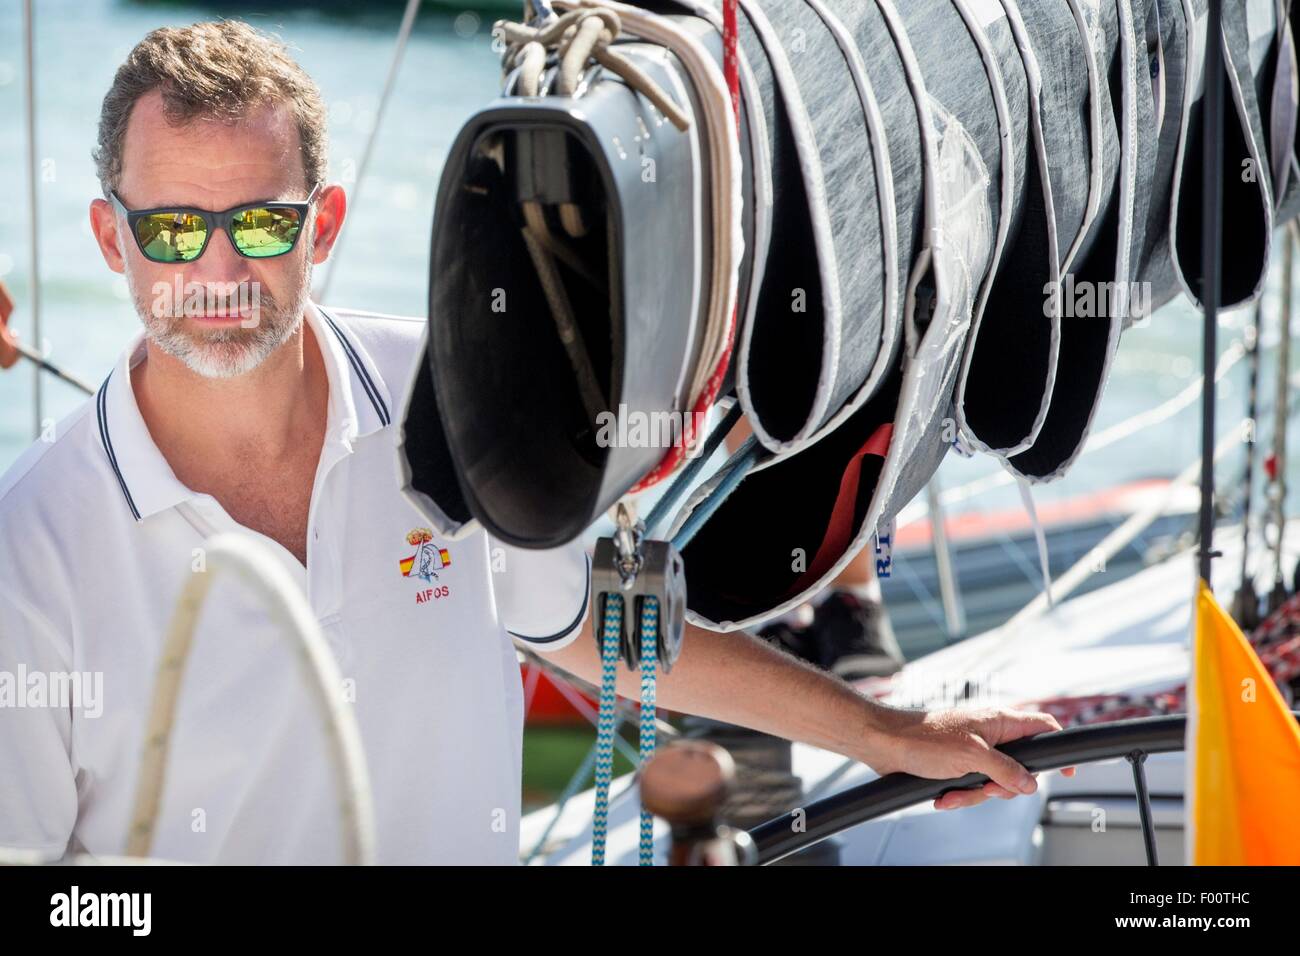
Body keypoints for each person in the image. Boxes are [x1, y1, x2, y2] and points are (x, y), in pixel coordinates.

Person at [0, 20, 1070, 865]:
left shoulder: (450, 394)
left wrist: (885, 731)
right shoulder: (31, 547)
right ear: (113, 239)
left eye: (263, 223)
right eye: (175, 229)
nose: (222, 269)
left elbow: (592, 628)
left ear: (321, 227)